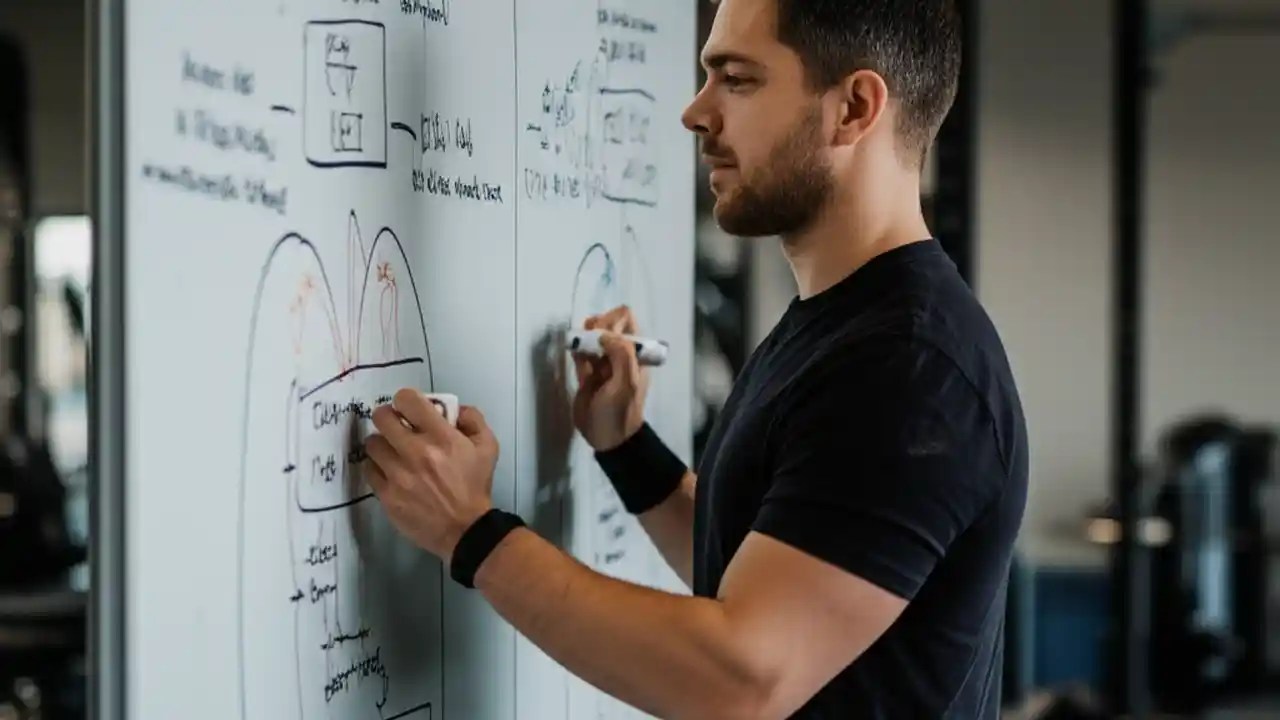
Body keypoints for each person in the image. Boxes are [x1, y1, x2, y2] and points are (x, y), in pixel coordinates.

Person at [363, 0, 1028, 717]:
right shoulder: (841, 327)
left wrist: (469, 530)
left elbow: (740, 679)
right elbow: (764, 566)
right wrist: (626, 448)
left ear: (854, 108)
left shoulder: (909, 369)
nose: (695, 112)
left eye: (736, 80)